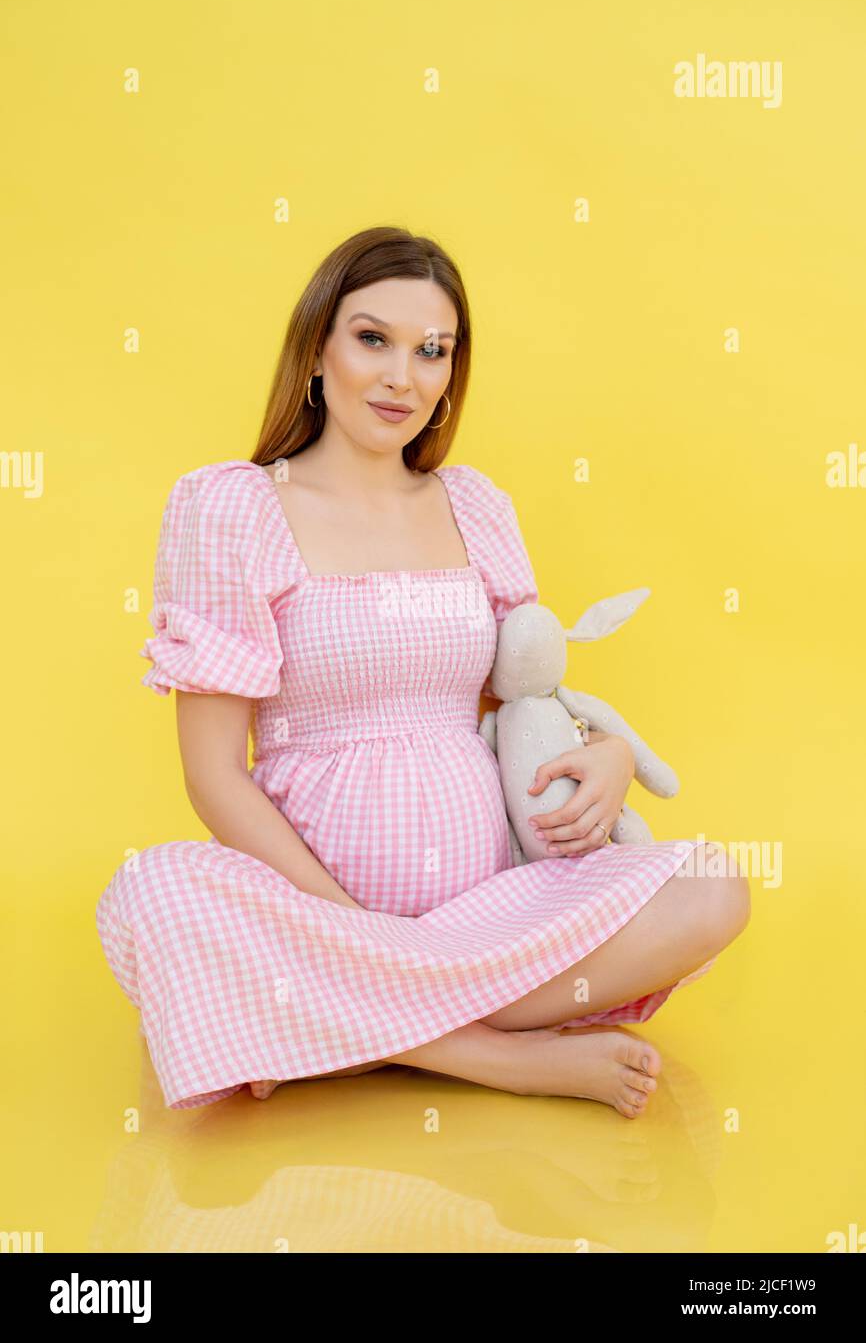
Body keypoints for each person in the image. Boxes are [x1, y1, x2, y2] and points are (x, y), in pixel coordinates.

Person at [96, 226, 750, 1118]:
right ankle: (499, 1057)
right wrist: (350, 932)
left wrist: (607, 756)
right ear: (317, 348)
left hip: (484, 914)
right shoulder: (234, 508)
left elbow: (518, 704)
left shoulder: (476, 507)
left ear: (450, 373)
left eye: (431, 351)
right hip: (313, 916)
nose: (402, 376)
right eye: (373, 339)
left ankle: (340, 1031)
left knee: (714, 889)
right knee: (157, 893)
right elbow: (213, 776)